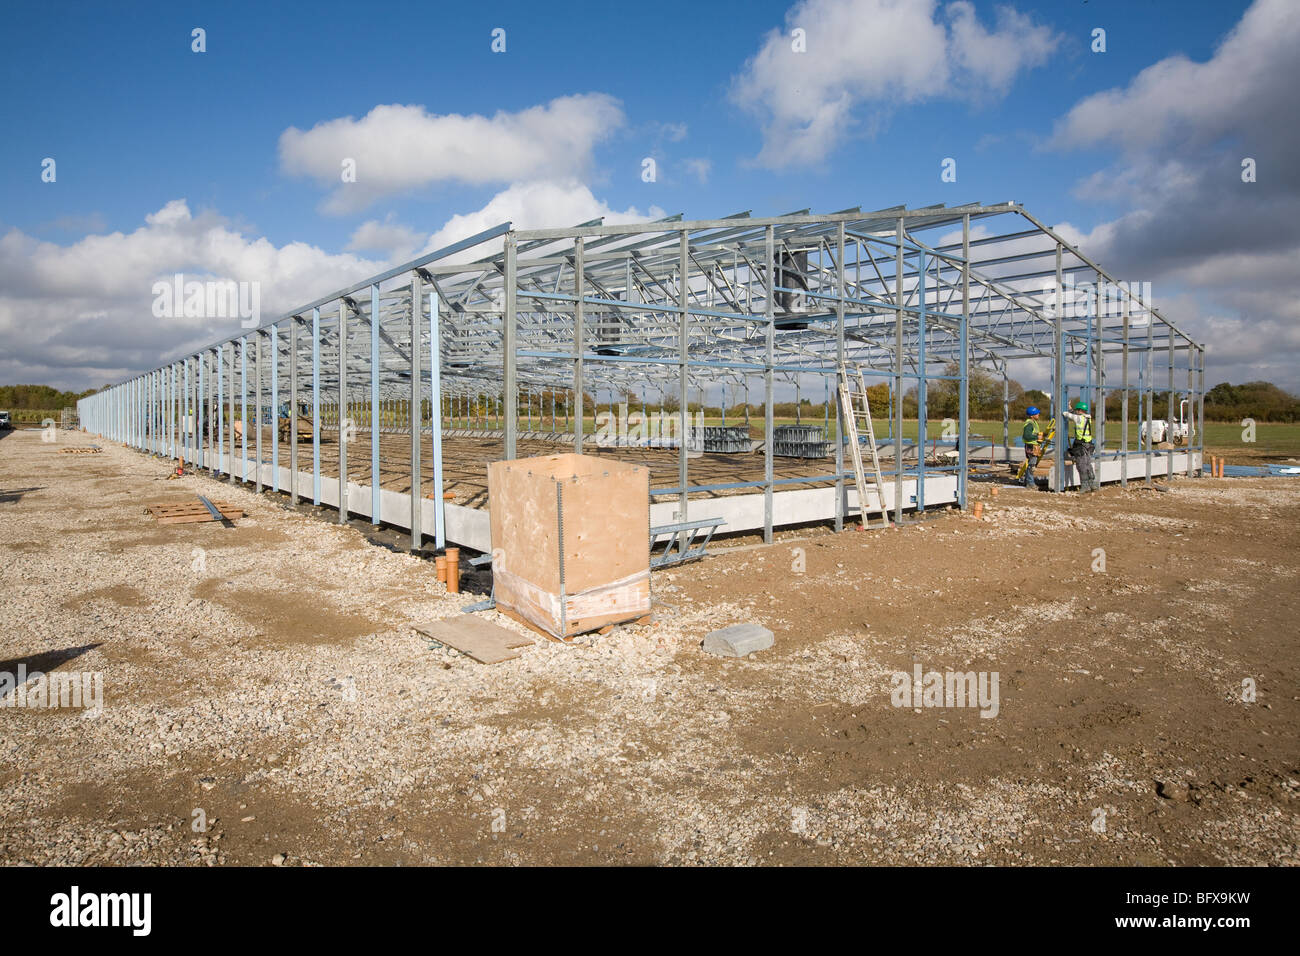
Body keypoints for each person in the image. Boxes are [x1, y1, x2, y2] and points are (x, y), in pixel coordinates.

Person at [1062, 399, 1099, 492]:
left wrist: (1063, 410)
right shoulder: (1087, 418)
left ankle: (1085, 486)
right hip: (1088, 445)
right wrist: (1070, 407)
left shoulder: (1079, 418)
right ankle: (1092, 484)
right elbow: (1075, 414)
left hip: (1081, 446)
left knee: (1081, 465)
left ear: (1079, 410)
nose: (1076, 411)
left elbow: (1066, 414)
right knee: (1088, 464)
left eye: (1077, 410)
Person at [1021, 406, 1043, 488]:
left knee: (1031, 464)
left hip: (1034, 446)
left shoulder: (1033, 423)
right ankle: (1030, 483)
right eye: (1036, 413)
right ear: (1031, 416)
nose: (1038, 414)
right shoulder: (1029, 424)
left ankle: (1027, 481)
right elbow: (1026, 436)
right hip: (1031, 446)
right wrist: (1037, 437)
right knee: (1032, 465)